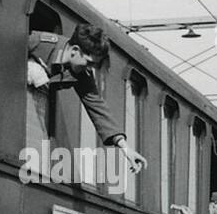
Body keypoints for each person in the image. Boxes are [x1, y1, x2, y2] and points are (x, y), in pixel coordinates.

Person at [27, 22, 146, 173]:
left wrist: (125, 148)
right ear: (75, 50)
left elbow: (97, 106)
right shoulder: (37, 42)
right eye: (89, 62)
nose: (89, 68)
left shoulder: (81, 73)